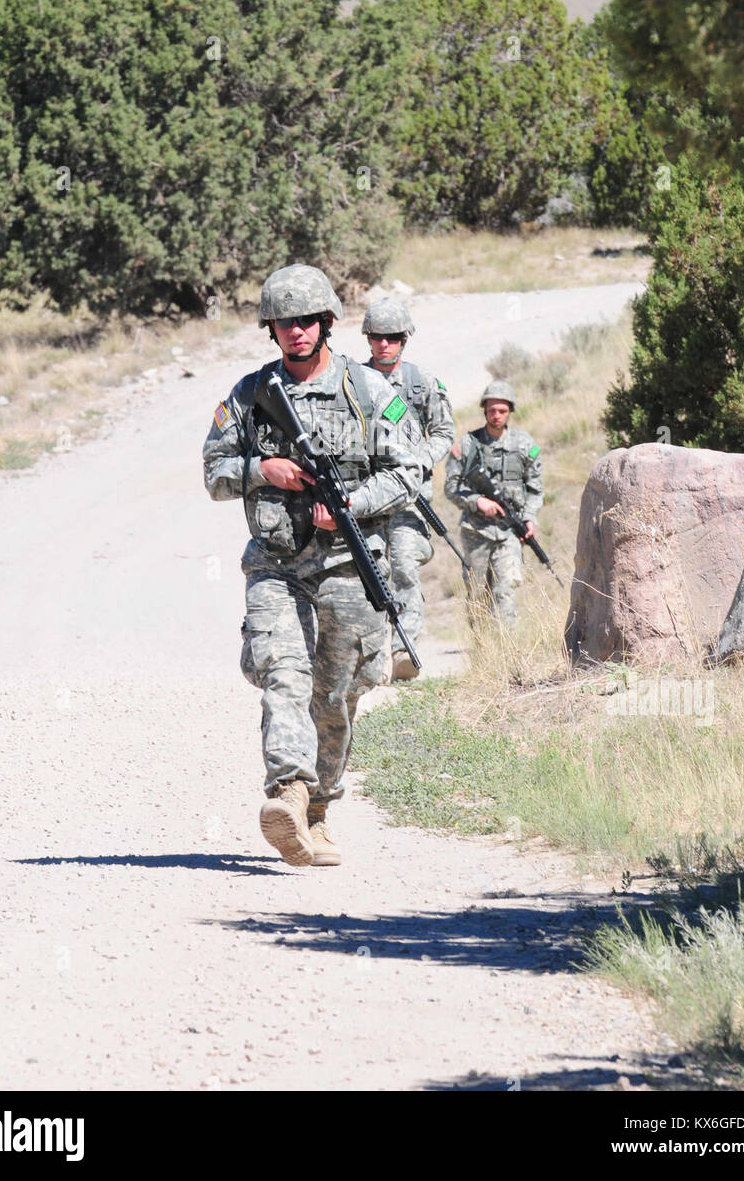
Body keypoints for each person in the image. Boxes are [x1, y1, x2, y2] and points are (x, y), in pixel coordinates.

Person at [202, 265, 422, 868]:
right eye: (283, 322)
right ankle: (288, 794)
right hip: (276, 565)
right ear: (270, 329)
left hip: (351, 564)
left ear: (326, 323)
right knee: (283, 675)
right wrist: (260, 470)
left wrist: (349, 504)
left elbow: (409, 471)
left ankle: (319, 810)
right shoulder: (250, 395)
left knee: (338, 696)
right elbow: (214, 473)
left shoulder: (369, 391)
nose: (296, 331)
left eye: (306, 320)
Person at [361, 296, 455, 680]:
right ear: (369, 338)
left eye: (393, 337)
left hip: (410, 500)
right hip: (365, 498)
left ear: (405, 339)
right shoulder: (353, 380)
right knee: (366, 572)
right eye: (378, 337)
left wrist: (419, 461)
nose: (385, 345)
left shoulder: (422, 384)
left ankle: (403, 650)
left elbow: (444, 431)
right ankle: (367, 655)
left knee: (403, 567)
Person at [443, 380, 543, 629]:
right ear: (484, 410)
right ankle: (482, 651)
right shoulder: (467, 444)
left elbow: (535, 489)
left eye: (502, 411)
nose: (496, 415)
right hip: (475, 530)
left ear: (510, 411)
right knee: (477, 594)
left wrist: (530, 517)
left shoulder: (524, 445)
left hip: (509, 531)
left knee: (505, 590)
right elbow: (450, 487)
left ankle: (508, 652)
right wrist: (478, 501)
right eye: (491, 410)